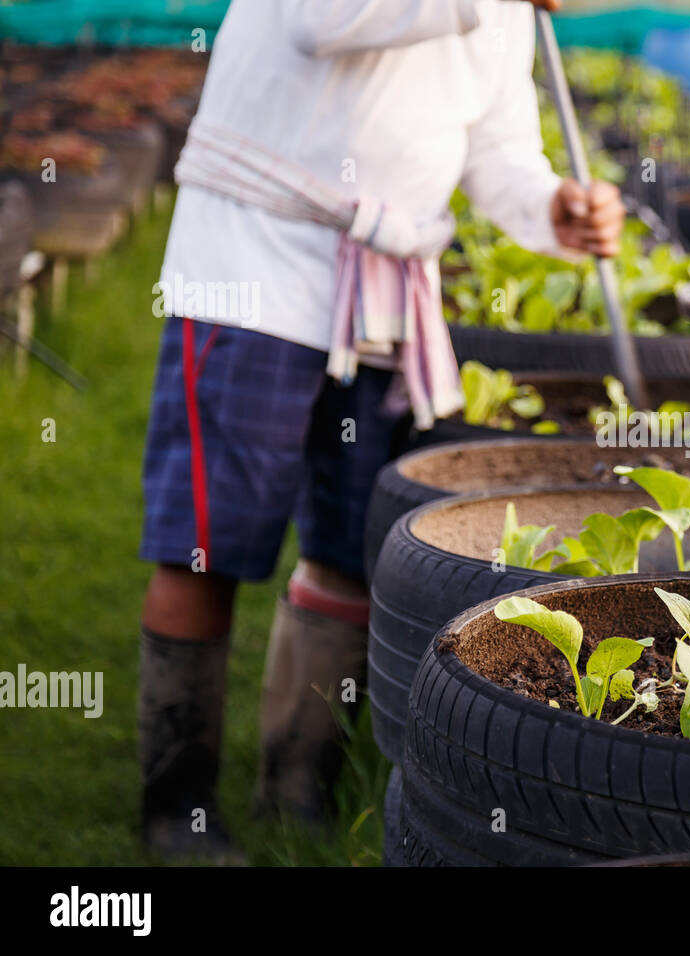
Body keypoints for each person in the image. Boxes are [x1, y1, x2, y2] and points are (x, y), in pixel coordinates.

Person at [137, 0, 623, 859]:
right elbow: (321, 21)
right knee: (205, 547)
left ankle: (300, 795)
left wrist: (554, 209)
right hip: (251, 268)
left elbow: (499, 149)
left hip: (382, 293)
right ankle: (178, 810)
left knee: (348, 546)